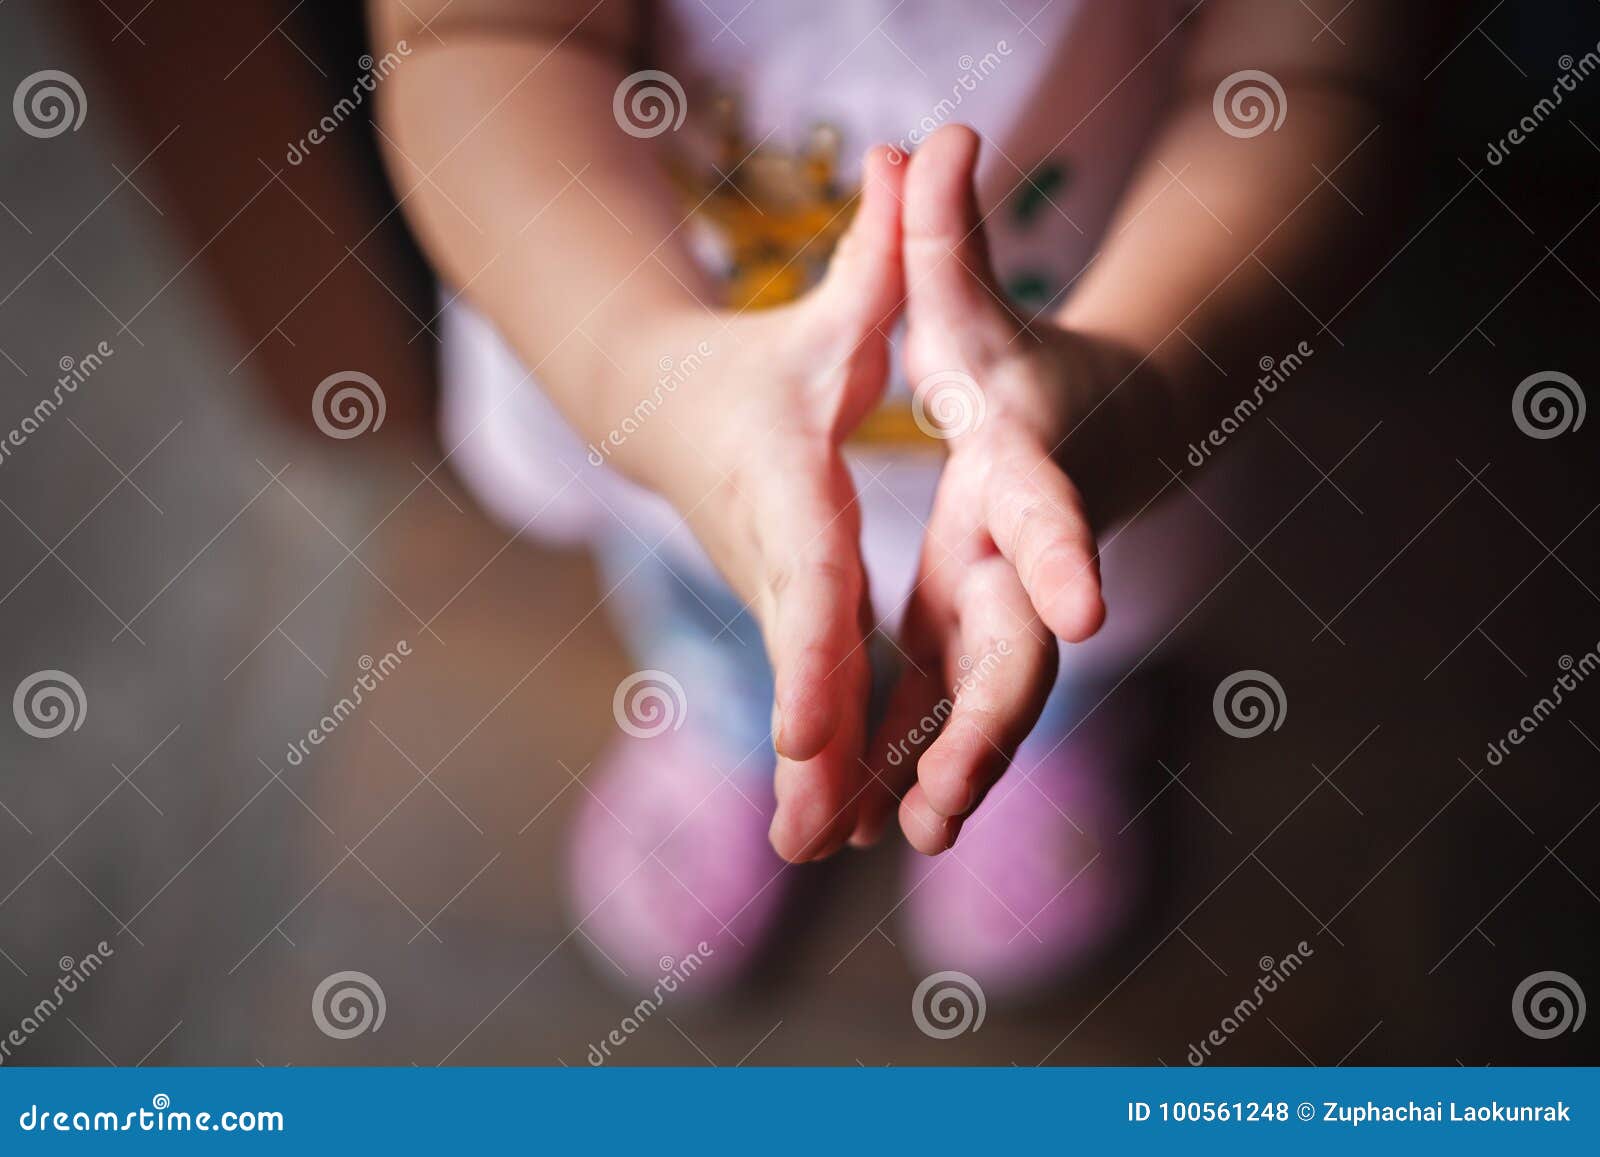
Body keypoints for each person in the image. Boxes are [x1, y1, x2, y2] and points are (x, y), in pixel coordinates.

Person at [369, 0, 1417, 996]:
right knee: (713, 574)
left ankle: (1039, 725)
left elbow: (1306, 68)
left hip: (1124, 334)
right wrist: (642, 371)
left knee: (1061, 595)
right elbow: (476, 29)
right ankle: (736, 706)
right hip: (669, 346)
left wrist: (1144, 379)